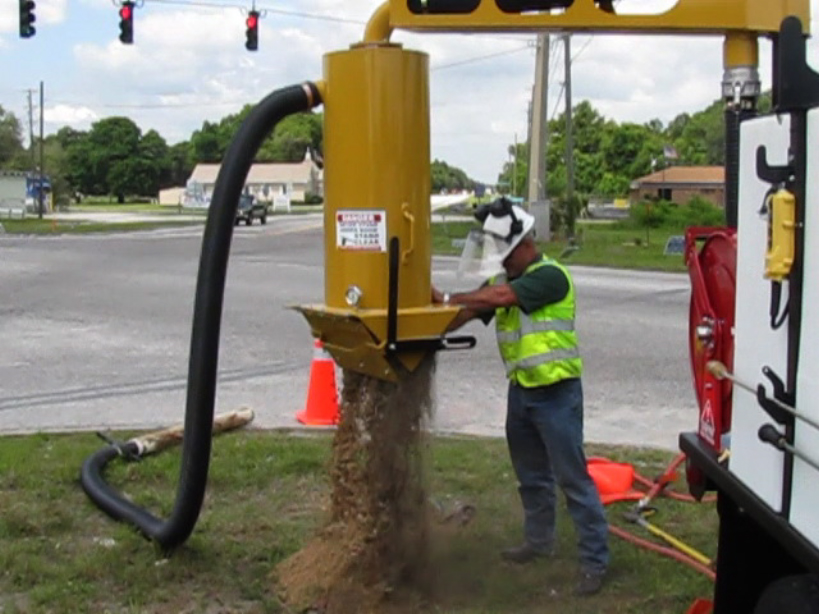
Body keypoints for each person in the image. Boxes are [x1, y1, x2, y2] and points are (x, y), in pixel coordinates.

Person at [432, 197, 609, 596]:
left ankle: (595, 561)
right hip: (523, 394)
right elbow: (464, 313)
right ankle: (539, 542)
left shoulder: (550, 277)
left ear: (525, 245)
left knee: (573, 480)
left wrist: (448, 298)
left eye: (505, 254)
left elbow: (496, 300)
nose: (501, 262)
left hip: (557, 396)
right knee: (531, 477)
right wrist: (430, 317)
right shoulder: (507, 282)